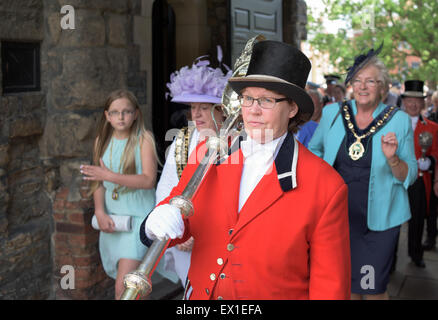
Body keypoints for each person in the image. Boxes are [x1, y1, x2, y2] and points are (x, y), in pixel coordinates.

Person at [141, 40, 351, 300]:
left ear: (292, 108)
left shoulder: (327, 186)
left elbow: (329, 286)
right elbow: (177, 219)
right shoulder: (208, 155)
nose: (252, 109)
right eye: (248, 98)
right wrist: (153, 223)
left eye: (265, 100)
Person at [308, 44, 418, 300]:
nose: (363, 86)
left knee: (371, 288)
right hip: (337, 217)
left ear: (383, 87)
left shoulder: (398, 120)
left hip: (379, 222)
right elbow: (314, 150)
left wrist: (393, 160)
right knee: (344, 286)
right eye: (357, 80)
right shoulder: (332, 113)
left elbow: (410, 173)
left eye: (371, 81)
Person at [80, 89, 177, 299]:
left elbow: (148, 179)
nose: (121, 117)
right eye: (115, 112)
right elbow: (97, 181)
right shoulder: (101, 142)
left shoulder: (144, 139)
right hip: (113, 219)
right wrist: (99, 212)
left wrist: (110, 175)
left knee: (125, 288)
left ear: (135, 114)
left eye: (126, 111)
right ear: (107, 116)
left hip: (138, 219)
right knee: (137, 287)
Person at [155, 51, 231, 287]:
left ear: (222, 110)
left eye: (204, 107)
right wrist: (178, 233)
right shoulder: (182, 141)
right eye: (192, 106)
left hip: (223, 240)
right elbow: (166, 189)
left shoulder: (239, 143)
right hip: (184, 241)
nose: (195, 114)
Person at [401, 80, 438, 263]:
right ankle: (388, 262)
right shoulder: (393, 123)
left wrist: (429, 161)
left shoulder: (432, 127)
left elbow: (437, 153)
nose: (413, 104)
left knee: (417, 220)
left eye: (417, 101)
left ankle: (416, 254)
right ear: (404, 101)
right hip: (396, 179)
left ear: (423, 103)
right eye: (409, 100)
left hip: (419, 180)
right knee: (391, 222)